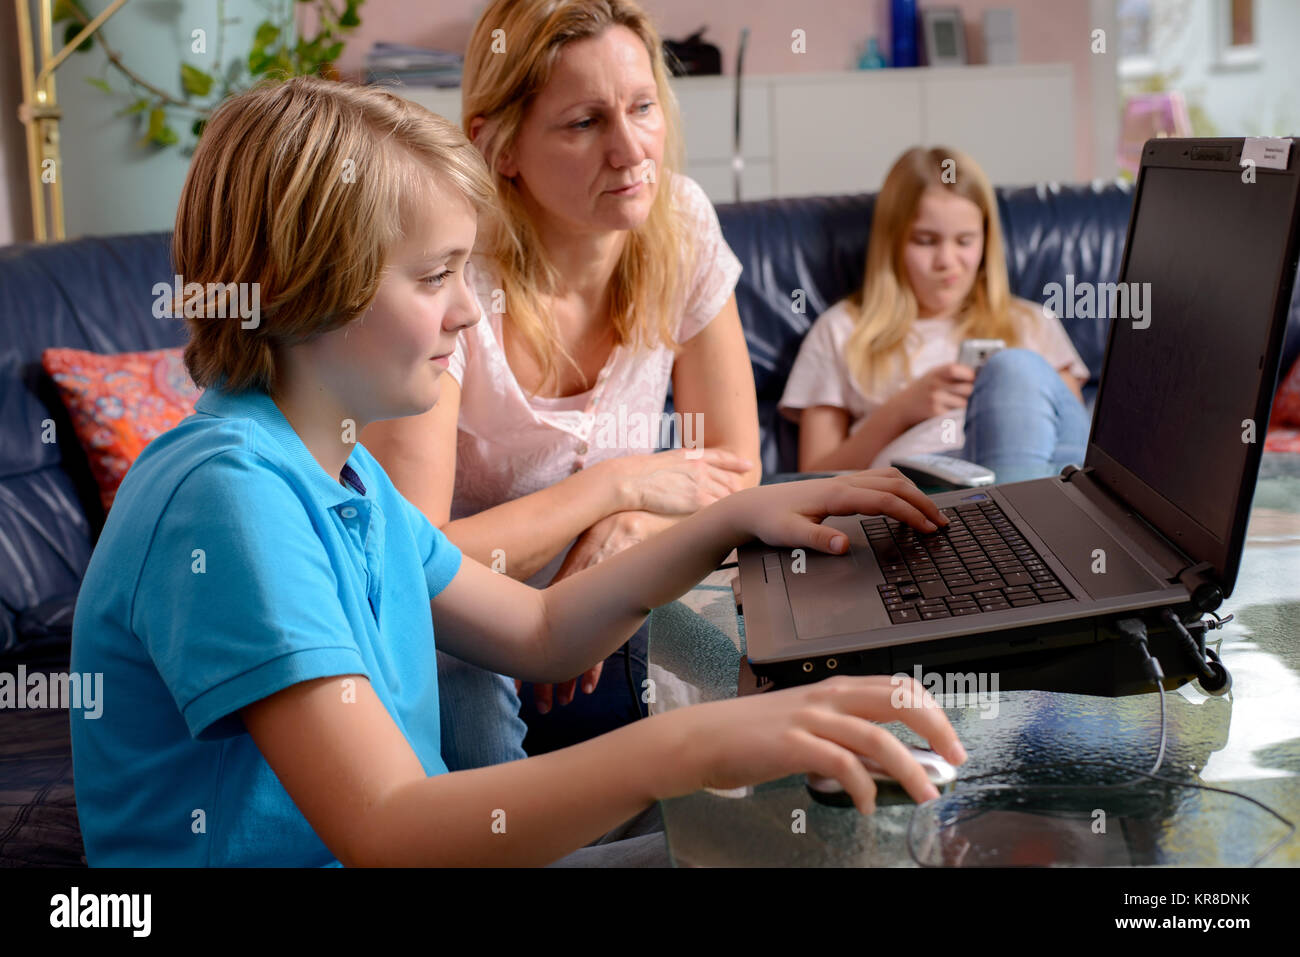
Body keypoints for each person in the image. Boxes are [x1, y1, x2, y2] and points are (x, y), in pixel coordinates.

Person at [68, 76, 966, 867]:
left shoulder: (339, 471)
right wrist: (693, 745)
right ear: (305, 288)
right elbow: (386, 826)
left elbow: (540, 630)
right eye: (434, 278)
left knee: (798, 848)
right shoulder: (231, 497)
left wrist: (736, 517)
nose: (469, 312)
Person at [360, 0, 761, 761]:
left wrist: (633, 532)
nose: (630, 149)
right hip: (469, 632)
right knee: (459, 673)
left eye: (643, 108)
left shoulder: (681, 223)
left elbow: (736, 472)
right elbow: (410, 554)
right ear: (499, 145)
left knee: (755, 619)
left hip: (621, 608)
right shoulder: (454, 276)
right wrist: (613, 488)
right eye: (584, 123)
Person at [780, 146, 1091, 483]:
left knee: (1013, 369)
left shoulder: (1030, 322)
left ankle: (1019, 519)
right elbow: (813, 479)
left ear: (986, 241)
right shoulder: (841, 331)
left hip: (1035, 476)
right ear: (893, 242)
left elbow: (1076, 446)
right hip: (926, 487)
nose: (946, 261)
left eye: (965, 240)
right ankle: (1026, 522)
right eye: (926, 241)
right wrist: (901, 410)